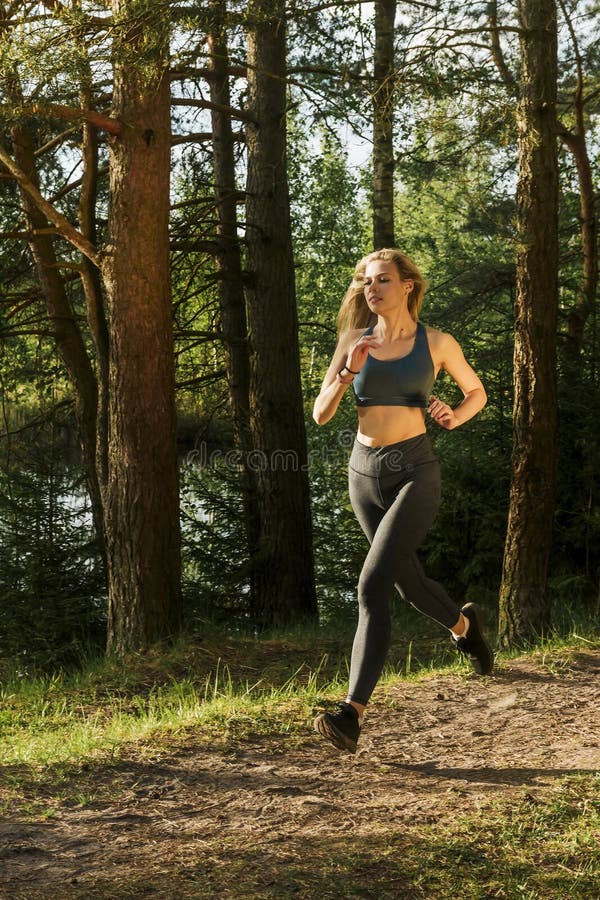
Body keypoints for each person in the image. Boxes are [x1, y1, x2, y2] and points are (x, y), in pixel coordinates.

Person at [312, 248, 493, 754]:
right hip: (363, 473)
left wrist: (455, 415)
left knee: (372, 586)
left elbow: (475, 391)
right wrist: (349, 371)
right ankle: (465, 627)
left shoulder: (435, 342)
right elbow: (322, 414)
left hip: (415, 469)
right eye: (367, 281)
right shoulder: (353, 340)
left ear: (407, 285)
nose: (372, 289)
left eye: (383, 280)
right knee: (408, 583)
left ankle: (351, 714)